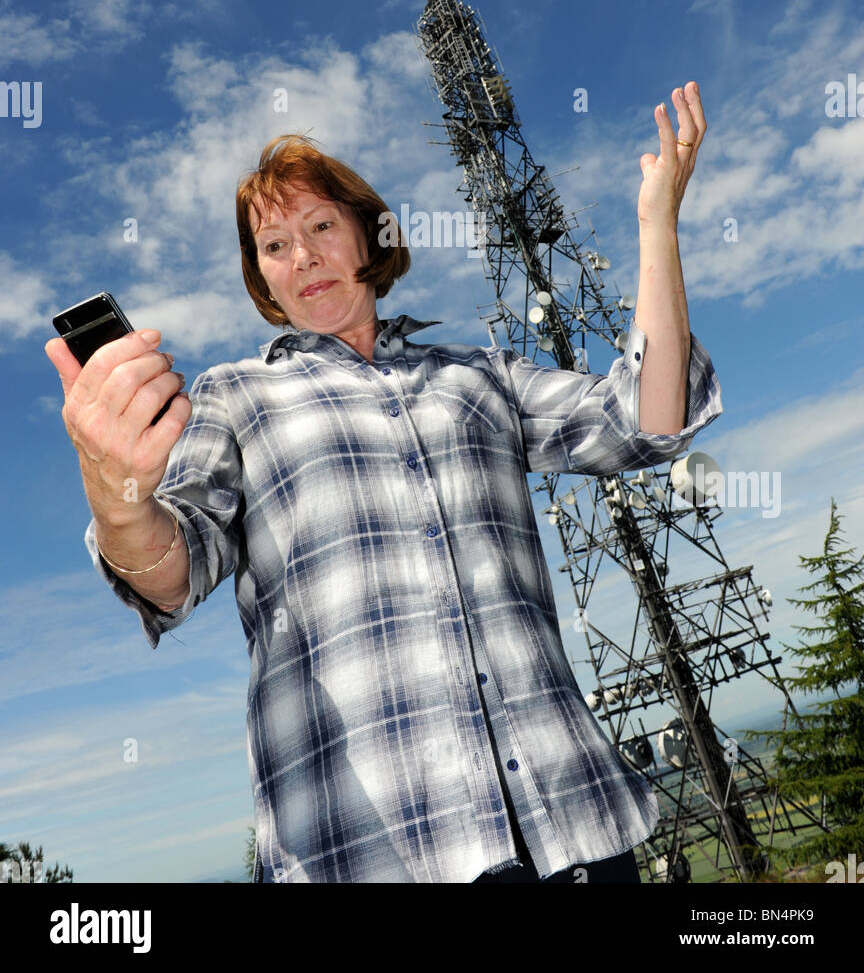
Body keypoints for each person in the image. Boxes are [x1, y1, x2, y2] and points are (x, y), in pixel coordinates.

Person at [45, 81, 721, 884]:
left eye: (321, 226)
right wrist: (115, 489)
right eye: (273, 246)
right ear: (263, 280)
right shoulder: (235, 400)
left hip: (574, 829)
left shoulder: (480, 379)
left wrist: (657, 226)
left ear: (372, 233)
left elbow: (647, 420)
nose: (301, 257)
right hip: (368, 857)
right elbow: (173, 572)